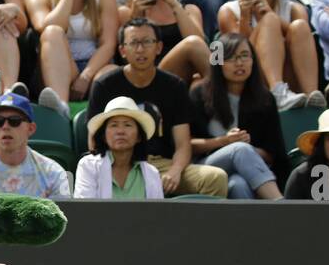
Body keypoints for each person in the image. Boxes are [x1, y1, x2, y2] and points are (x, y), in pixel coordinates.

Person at [88, 18, 229, 195]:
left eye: (147, 42)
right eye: (134, 43)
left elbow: (183, 144)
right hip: (119, 164)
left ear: (159, 47)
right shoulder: (105, 85)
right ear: (122, 50)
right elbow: (94, 141)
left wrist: (175, 171)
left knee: (215, 178)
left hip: (163, 164)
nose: (140, 49)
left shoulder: (174, 86)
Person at [27, 0, 120, 116]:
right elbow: (45, 28)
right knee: (53, 31)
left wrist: (86, 76)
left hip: (94, 67)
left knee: (113, 72)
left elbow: (108, 44)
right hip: (56, 67)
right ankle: (61, 109)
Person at [188, 32, 286, 198]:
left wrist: (248, 150)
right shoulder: (199, 93)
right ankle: (280, 204)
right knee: (239, 150)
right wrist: (225, 142)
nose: (239, 63)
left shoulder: (264, 99)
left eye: (244, 56)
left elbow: (272, 153)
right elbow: (188, 144)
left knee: (237, 184)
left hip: (249, 170)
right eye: (231, 58)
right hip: (205, 165)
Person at [219, 0, 323, 108]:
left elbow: (302, 39)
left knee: (299, 25)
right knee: (269, 20)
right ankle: (277, 91)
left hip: (291, 75)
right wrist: (246, 16)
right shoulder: (228, 10)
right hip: (250, 77)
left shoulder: (294, 9)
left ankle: (311, 96)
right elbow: (235, 52)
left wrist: (269, 13)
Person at [117, 0, 211, 84]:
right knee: (193, 44)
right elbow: (126, 56)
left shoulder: (189, 10)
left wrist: (174, 4)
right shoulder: (125, 12)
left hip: (183, 77)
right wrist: (136, 16)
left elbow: (201, 47)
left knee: (200, 83)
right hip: (146, 77)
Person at [0, 92, 74, 197]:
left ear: (31, 129)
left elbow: (64, 220)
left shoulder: (54, 173)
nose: (5, 127)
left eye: (14, 121)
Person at [73, 95, 164, 197]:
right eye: (114, 125)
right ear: (104, 136)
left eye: (127, 125)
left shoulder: (152, 173)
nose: (120, 131)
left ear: (139, 136)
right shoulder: (88, 166)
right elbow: (85, 210)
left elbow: (157, 212)